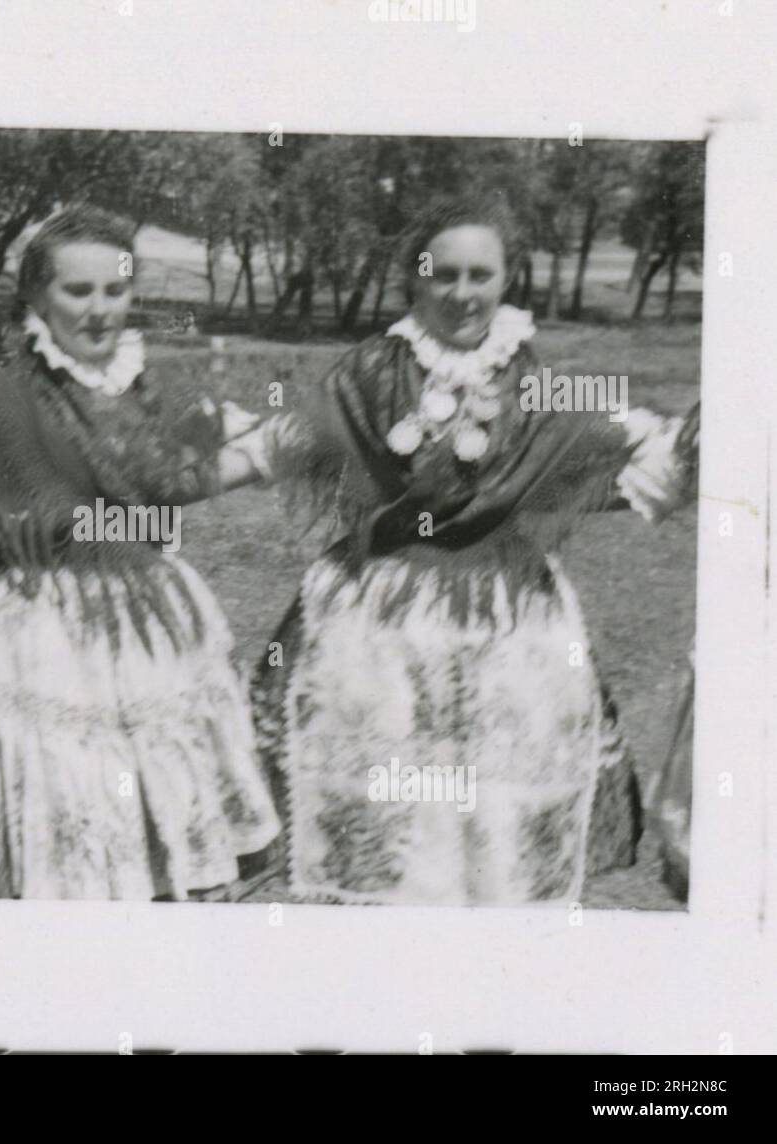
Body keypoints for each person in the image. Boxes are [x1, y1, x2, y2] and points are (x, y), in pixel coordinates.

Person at [246, 195, 697, 906]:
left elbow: (630, 439)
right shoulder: (366, 372)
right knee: (386, 819)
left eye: (479, 275)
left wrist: (701, 443)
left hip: (510, 625)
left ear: (506, 277)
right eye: (443, 274)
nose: (462, 294)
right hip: (375, 622)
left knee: (492, 826)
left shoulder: (541, 381)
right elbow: (278, 441)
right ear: (414, 278)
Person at [0, 205, 279, 900]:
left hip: (148, 609)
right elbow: (23, 511)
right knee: (76, 792)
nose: (100, 310)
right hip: (47, 619)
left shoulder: (137, 382)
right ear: (37, 297)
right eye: (78, 292)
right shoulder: (4, 393)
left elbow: (161, 475)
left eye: (116, 290)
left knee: (157, 789)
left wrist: (241, 447)